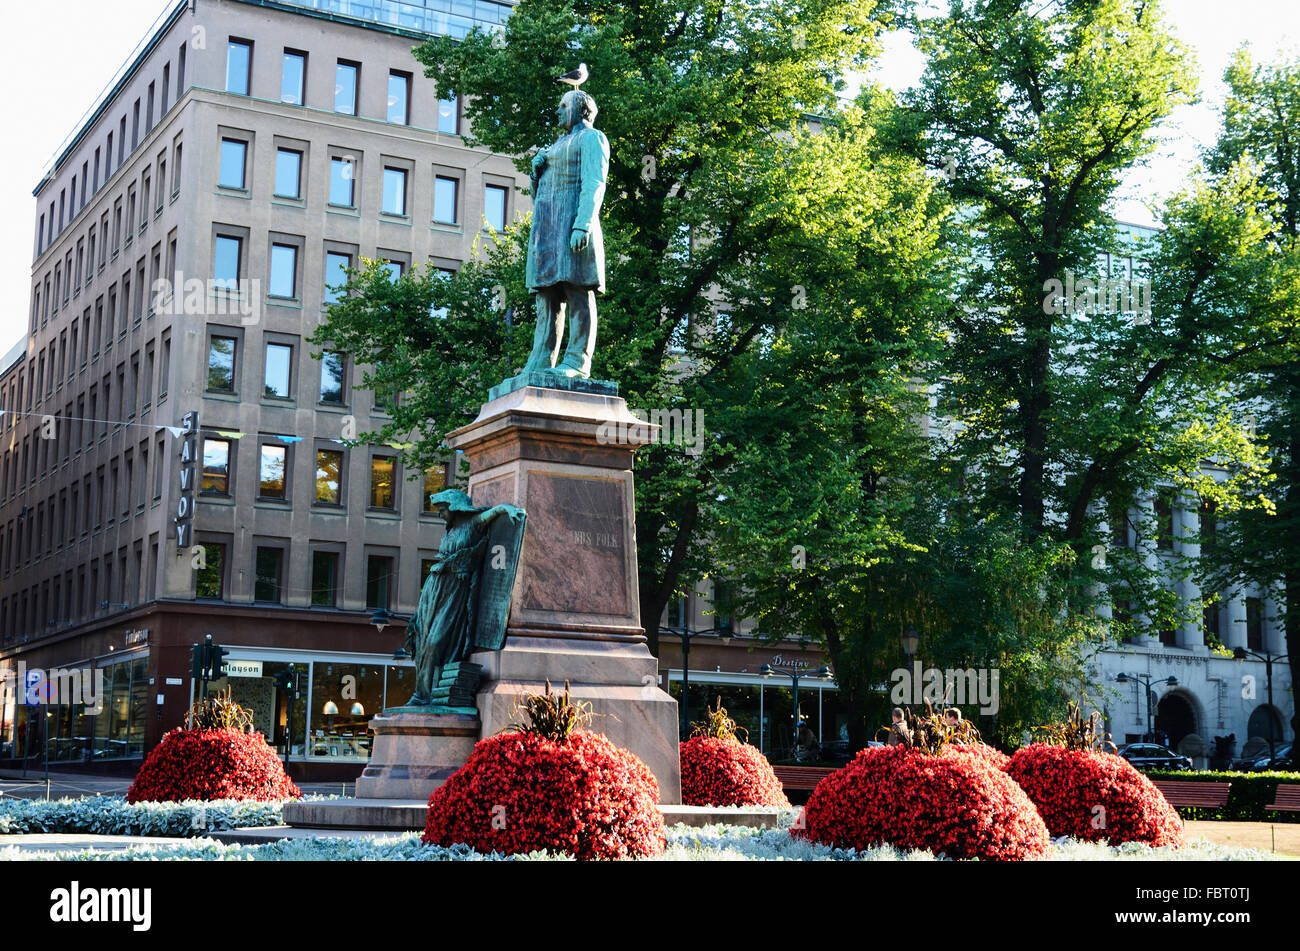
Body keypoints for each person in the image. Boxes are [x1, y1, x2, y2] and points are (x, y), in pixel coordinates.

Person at [405, 490, 525, 705]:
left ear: (454, 507)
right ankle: (423, 694)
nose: (440, 515)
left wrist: (506, 508)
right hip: (435, 588)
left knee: (435, 641)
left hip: (455, 590)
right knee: (423, 640)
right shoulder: (450, 531)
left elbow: (490, 514)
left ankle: (431, 693)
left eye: (443, 510)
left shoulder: (473, 524)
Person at [524, 86, 609, 379]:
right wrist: (535, 174)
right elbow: (539, 196)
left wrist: (582, 224)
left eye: (563, 105)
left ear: (580, 108)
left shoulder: (591, 138)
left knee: (578, 292)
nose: (558, 110)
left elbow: (595, 183)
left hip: (572, 226)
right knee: (546, 297)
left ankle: (577, 361)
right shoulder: (557, 145)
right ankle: (539, 361)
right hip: (547, 231)